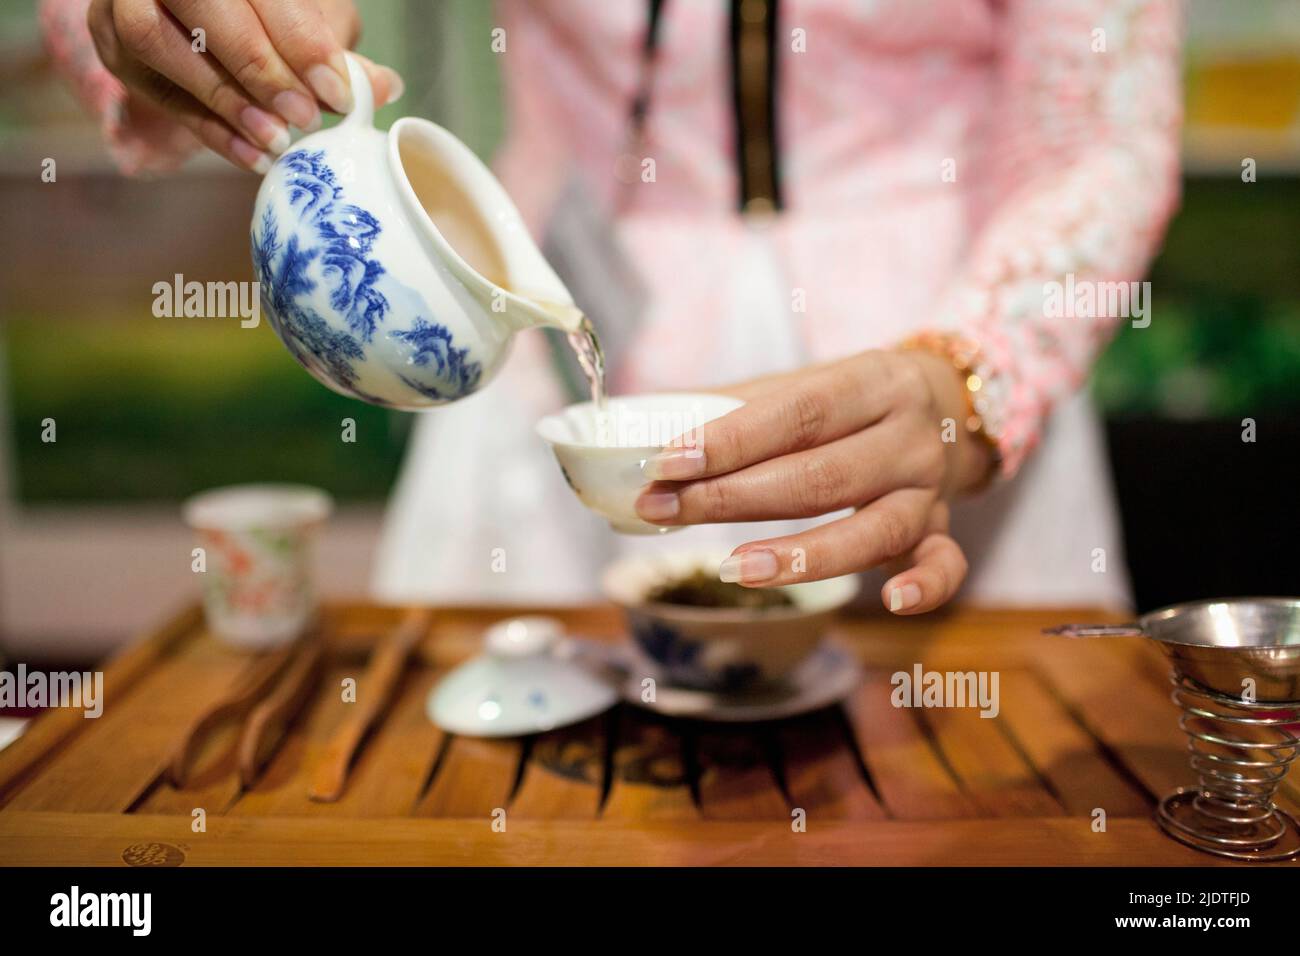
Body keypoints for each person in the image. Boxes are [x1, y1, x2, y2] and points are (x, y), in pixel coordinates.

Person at [44, 0, 1183, 613]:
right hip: (549, 330)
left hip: (931, 355)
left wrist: (968, 377)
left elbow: (1099, 134)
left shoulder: (955, 370)